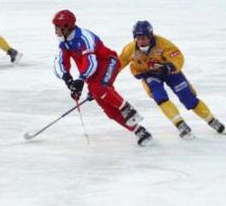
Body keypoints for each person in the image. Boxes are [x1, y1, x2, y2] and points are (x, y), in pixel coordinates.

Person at [52, 10, 152, 147]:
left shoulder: (83, 37)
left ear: (67, 26)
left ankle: (127, 109)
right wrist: (68, 80)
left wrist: (81, 80)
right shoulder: (64, 42)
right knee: (107, 108)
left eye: (58, 26)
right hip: (92, 73)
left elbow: (91, 62)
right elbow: (60, 62)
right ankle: (140, 131)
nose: (55, 30)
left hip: (108, 62)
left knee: (97, 88)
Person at [119, 21, 225, 139]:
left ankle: (211, 120)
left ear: (150, 36)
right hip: (148, 74)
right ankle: (181, 125)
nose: (141, 42)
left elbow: (178, 58)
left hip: (170, 72)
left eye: (144, 38)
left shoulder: (163, 44)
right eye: (138, 38)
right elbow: (118, 63)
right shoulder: (130, 49)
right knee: (160, 96)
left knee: (188, 98)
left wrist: (169, 67)